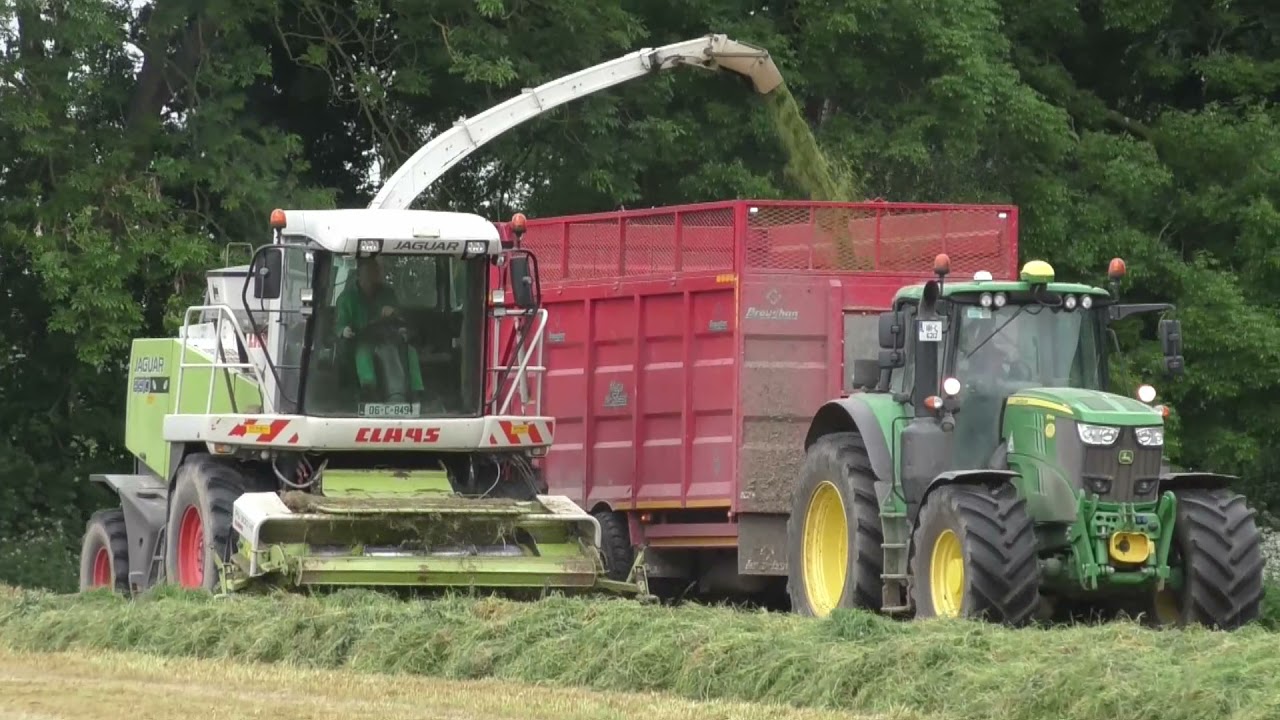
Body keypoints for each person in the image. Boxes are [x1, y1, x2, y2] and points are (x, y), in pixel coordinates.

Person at [335, 257, 425, 401]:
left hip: (389, 338)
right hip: (362, 339)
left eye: (375, 272)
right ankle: (368, 390)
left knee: (410, 351)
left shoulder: (388, 294)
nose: (373, 276)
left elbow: (400, 318)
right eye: (369, 272)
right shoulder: (346, 298)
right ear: (359, 274)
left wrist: (394, 313)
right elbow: (339, 324)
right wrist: (344, 330)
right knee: (363, 353)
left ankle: (416, 392)